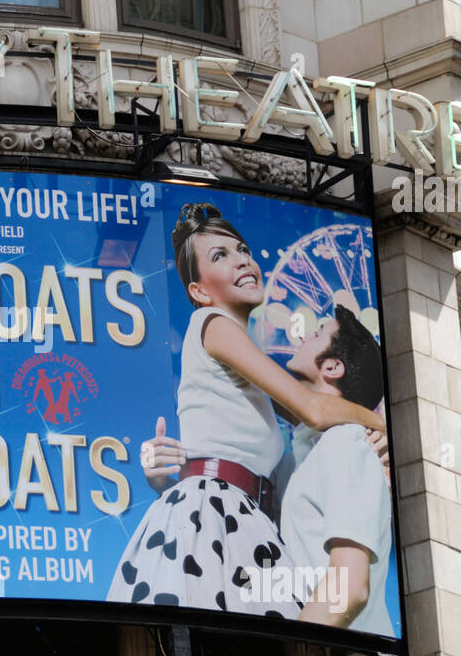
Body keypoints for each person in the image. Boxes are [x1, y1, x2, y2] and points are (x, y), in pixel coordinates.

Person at [106, 203, 386, 616]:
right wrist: (381, 423)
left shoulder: (243, 359)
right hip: (216, 511)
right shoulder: (213, 324)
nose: (241, 260)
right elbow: (313, 409)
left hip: (237, 514)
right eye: (220, 256)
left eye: (243, 250)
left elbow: (310, 419)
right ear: (200, 292)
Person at [279, 306, 393, 634]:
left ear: (332, 366)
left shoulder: (345, 442)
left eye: (316, 334)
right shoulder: (302, 459)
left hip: (341, 653)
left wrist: (299, 650)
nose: (302, 335)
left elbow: (350, 587)